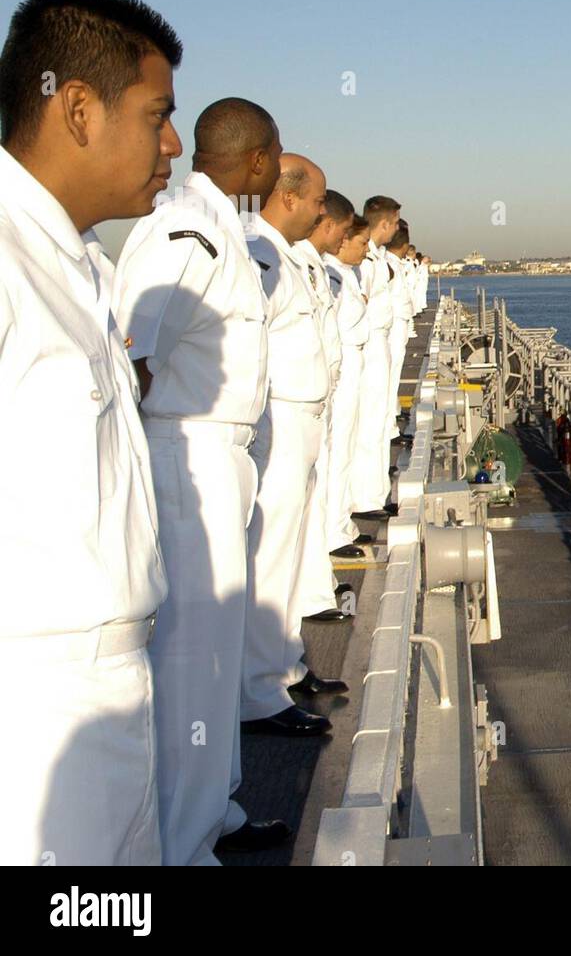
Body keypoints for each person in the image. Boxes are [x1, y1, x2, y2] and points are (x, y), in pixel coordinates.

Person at [0, 0, 178, 865]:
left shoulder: (79, 266)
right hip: (33, 717)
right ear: (77, 109)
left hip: (114, 689)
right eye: (157, 115)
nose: (171, 144)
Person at [114, 97, 291, 863]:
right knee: (190, 660)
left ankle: (212, 812)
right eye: (275, 160)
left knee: (213, 656)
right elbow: (131, 353)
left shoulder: (222, 230)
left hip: (221, 458)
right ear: (254, 162)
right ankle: (183, 846)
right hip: (185, 456)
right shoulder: (183, 233)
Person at [241, 154, 332, 735]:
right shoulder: (260, 254)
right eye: (319, 199)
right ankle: (259, 692)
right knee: (270, 553)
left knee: (292, 550)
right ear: (289, 196)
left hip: (305, 417)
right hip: (277, 419)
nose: (325, 210)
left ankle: (286, 665)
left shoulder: (287, 256)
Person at [290, 188, 352, 629]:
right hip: (287, 407)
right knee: (281, 529)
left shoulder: (311, 268)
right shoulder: (283, 263)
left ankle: (313, 594)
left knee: (311, 501)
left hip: (317, 396)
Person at [351, 196, 401, 520]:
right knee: (368, 422)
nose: (396, 228)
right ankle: (364, 499)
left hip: (378, 340)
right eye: (395, 222)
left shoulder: (377, 256)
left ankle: (376, 491)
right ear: (383, 223)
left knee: (380, 420)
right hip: (367, 342)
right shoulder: (365, 259)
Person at [324, 213, 371, 559]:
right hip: (336, 369)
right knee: (336, 450)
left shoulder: (344, 274)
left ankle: (341, 525)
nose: (365, 250)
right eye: (361, 242)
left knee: (346, 446)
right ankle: (333, 532)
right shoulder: (329, 274)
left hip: (350, 361)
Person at [386, 220, 415, 441]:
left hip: (397, 324)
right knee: (388, 377)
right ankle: (389, 424)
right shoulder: (386, 265)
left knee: (392, 376)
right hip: (390, 326)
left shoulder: (392, 265)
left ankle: (391, 416)